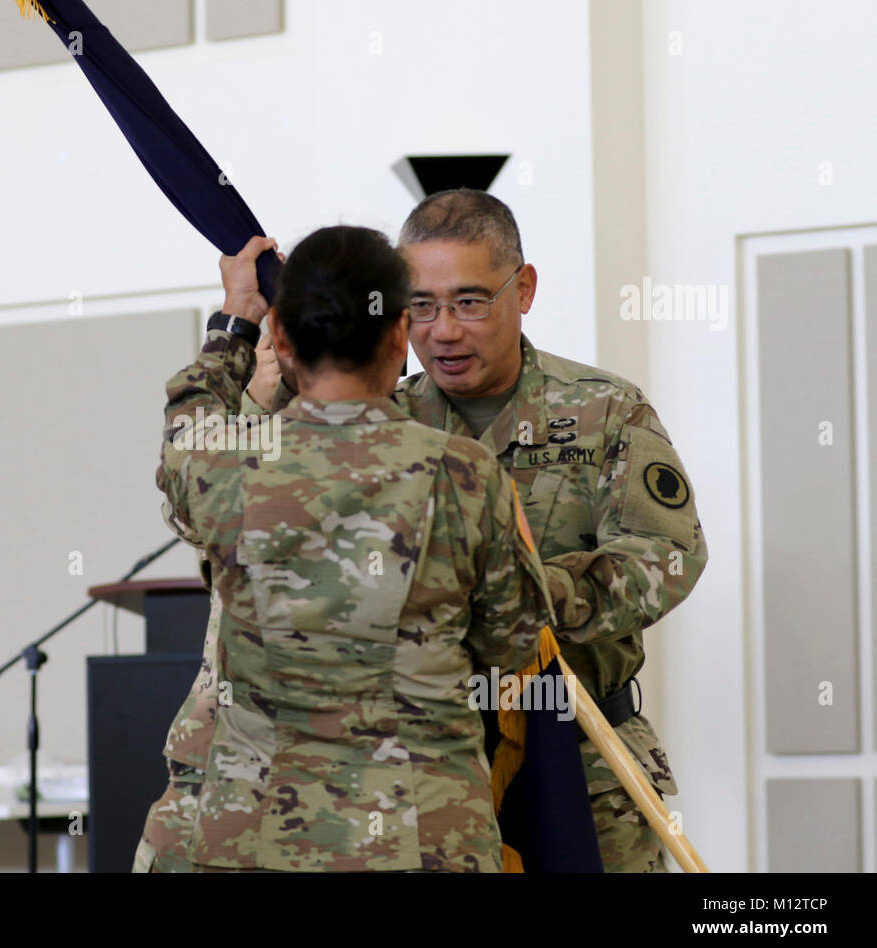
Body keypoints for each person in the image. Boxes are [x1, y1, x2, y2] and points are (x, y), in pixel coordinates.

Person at [240, 189, 709, 872]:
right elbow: (255, 519)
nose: (444, 331)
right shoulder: (381, 423)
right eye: (421, 307)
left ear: (524, 290)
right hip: (421, 773)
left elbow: (670, 556)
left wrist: (529, 594)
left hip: (583, 755)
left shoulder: (606, 411)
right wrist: (265, 394)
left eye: (469, 302)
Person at [146, 228, 555, 871]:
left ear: (281, 340)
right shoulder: (465, 472)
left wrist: (234, 321)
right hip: (424, 834)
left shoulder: (218, 463)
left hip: (256, 833)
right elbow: (511, 644)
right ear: (399, 333)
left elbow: (192, 411)